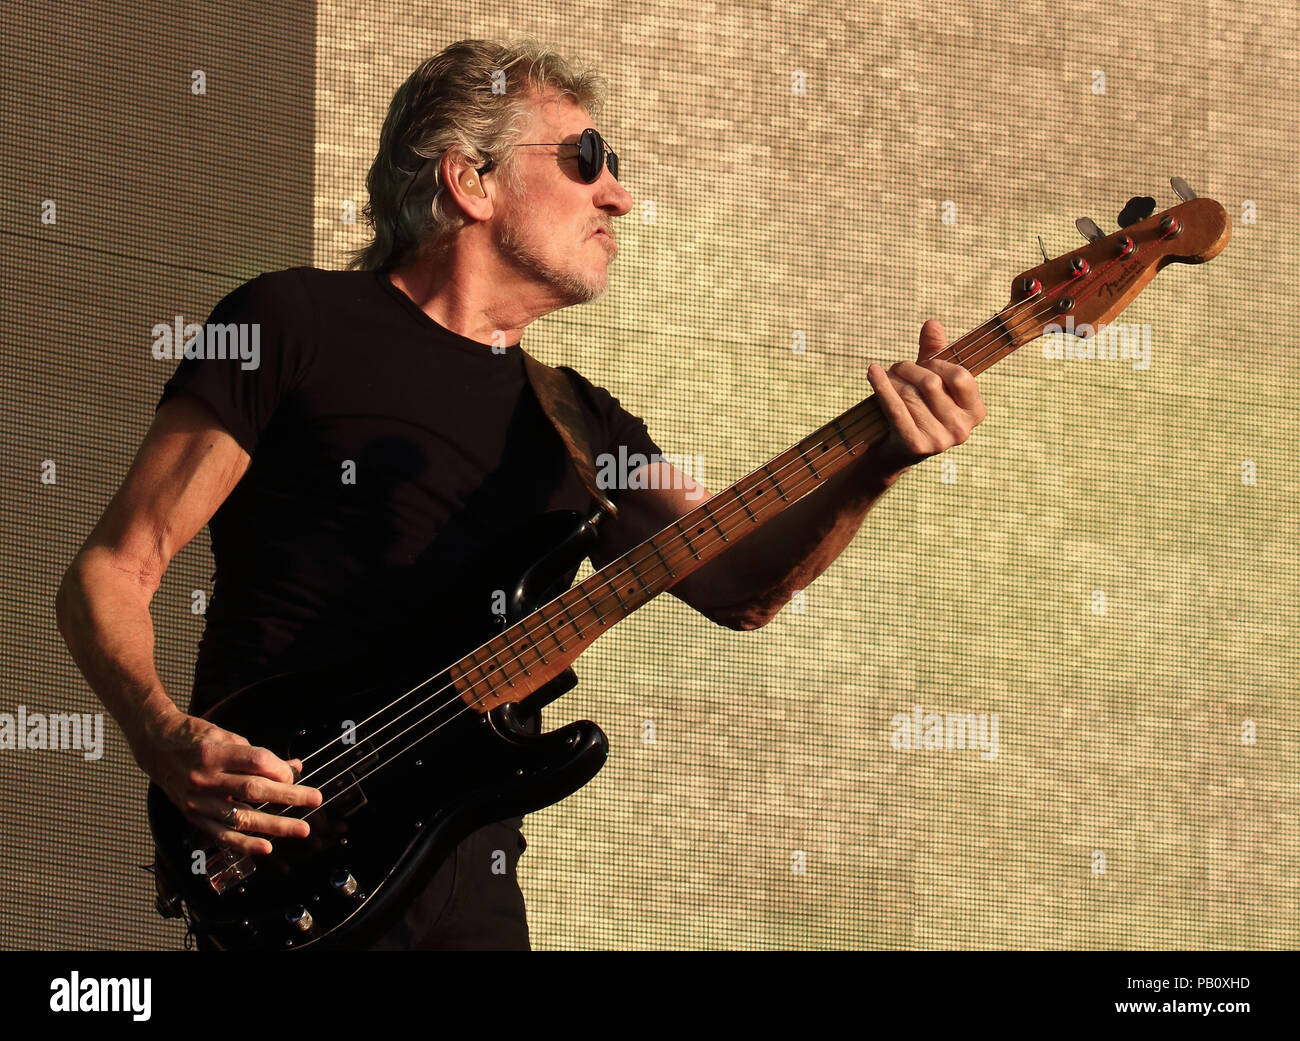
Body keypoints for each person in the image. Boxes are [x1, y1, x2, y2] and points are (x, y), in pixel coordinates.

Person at [54, 38, 986, 951]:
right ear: (471, 178)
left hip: (468, 884)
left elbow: (739, 583)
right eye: (587, 160)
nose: (619, 194)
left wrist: (876, 464)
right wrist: (165, 739)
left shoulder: (579, 421)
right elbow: (115, 566)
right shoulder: (287, 323)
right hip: (286, 845)